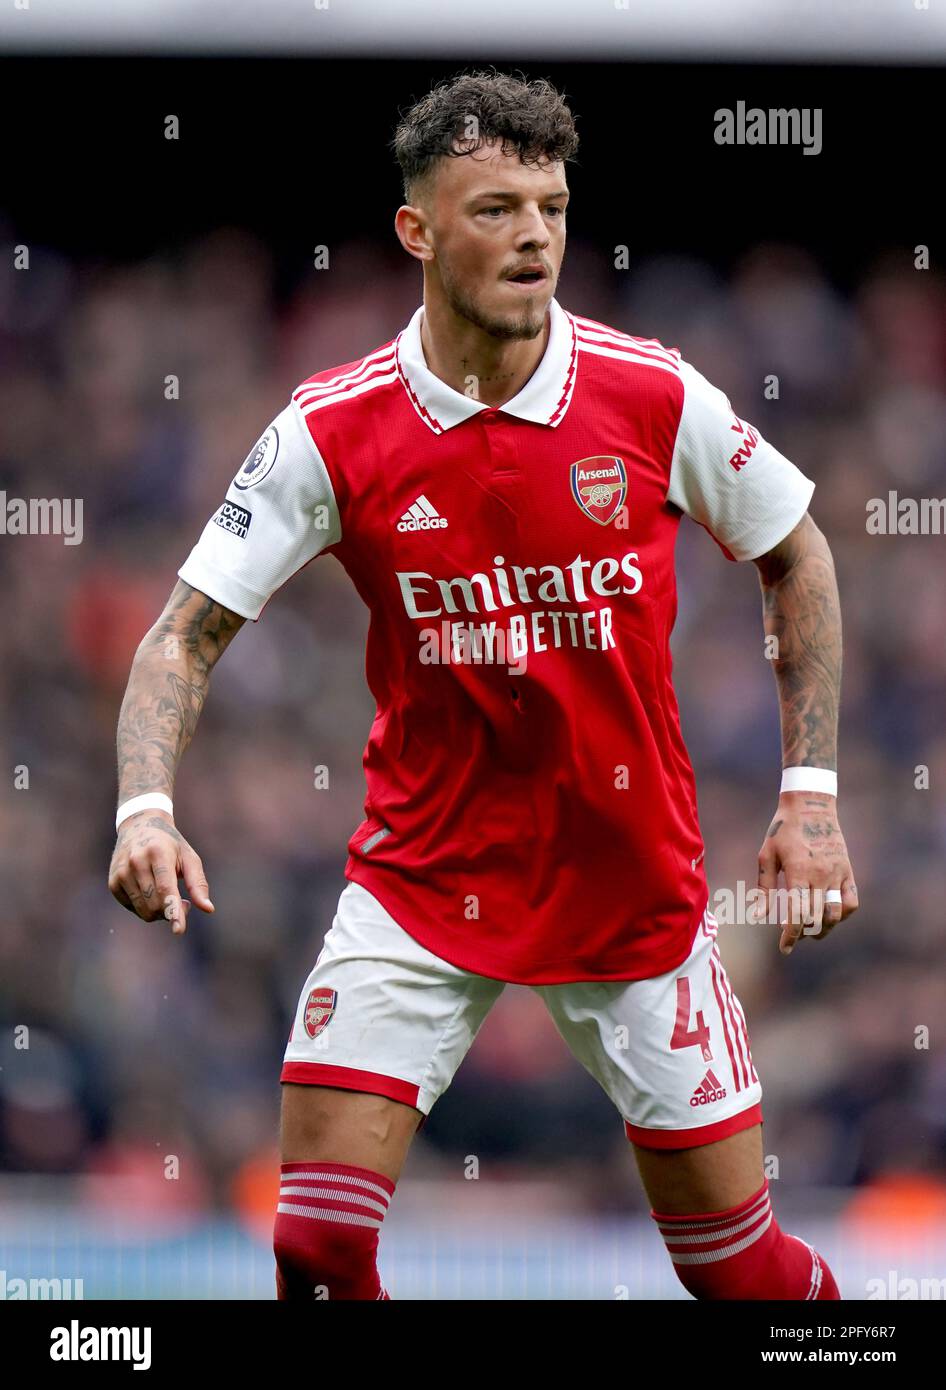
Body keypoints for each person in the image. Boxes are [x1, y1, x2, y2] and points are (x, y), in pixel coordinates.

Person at [108, 69, 858, 1301]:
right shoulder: (330, 429)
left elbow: (797, 549)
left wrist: (810, 797)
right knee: (313, 1250)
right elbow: (180, 635)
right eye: (498, 207)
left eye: (553, 208)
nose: (534, 237)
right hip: (422, 880)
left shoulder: (649, 391)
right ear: (417, 231)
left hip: (629, 882)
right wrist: (145, 807)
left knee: (745, 1279)